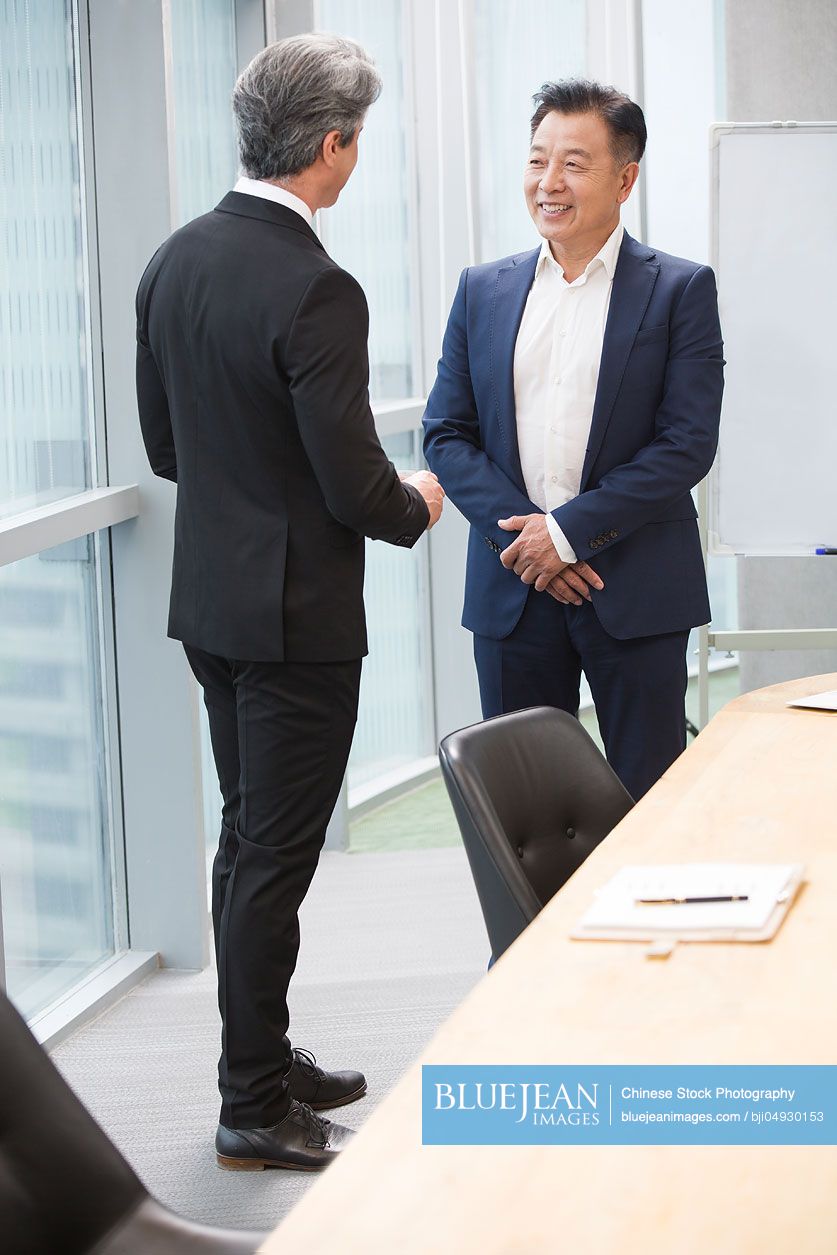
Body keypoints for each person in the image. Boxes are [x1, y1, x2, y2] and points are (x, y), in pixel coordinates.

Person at [136, 34, 444, 1172]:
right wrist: (416, 501)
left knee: (245, 843)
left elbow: (168, 448)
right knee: (274, 854)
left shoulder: (173, 260)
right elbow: (355, 485)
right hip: (296, 623)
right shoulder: (317, 285)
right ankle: (252, 1103)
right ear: (332, 145)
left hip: (211, 611)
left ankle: (260, 1055)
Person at [423, 79, 724, 803]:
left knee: (646, 803)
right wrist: (528, 546)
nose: (547, 183)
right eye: (536, 160)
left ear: (625, 178)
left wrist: (563, 535)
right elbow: (446, 432)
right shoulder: (480, 289)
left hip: (637, 588)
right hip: (511, 591)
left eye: (573, 163)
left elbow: (685, 444)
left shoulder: (679, 289)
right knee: (523, 810)